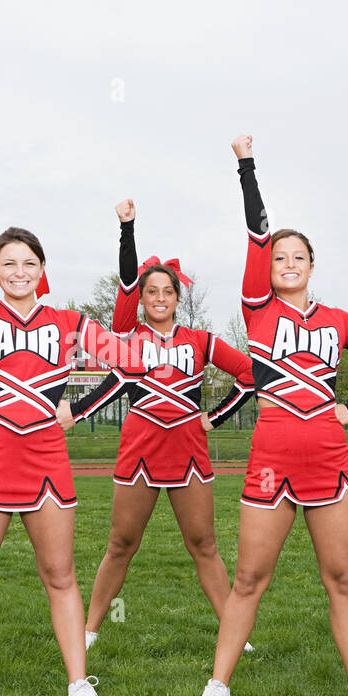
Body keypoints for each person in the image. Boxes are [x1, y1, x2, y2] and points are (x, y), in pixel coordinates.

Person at [0, 145, 142, 696]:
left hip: (47, 456)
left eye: (29, 263)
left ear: (42, 271)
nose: (18, 272)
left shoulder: (68, 323)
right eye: (8, 265)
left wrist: (81, 407)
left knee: (59, 574)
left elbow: (126, 360)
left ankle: (78, 683)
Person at [192, 135, 348, 696]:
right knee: (249, 578)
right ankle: (219, 684)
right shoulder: (258, 309)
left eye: (297, 258)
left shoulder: (338, 320)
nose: (286, 264)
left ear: (312, 266)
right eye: (279, 258)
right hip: (272, 458)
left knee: (341, 578)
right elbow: (258, 232)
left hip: (331, 460)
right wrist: (246, 167)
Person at [69, 199, 254, 653]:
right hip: (140, 447)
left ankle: (234, 630)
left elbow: (251, 375)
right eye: (151, 292)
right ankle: (90, 628)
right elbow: (127, 281)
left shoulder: (201, 340)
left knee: (204, 544)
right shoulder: (126, 338)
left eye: (166, 292)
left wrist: (218, 416)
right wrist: (127, 228)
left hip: (189, 448)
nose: (158, 299)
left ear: (178, 297)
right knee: (121, 543)